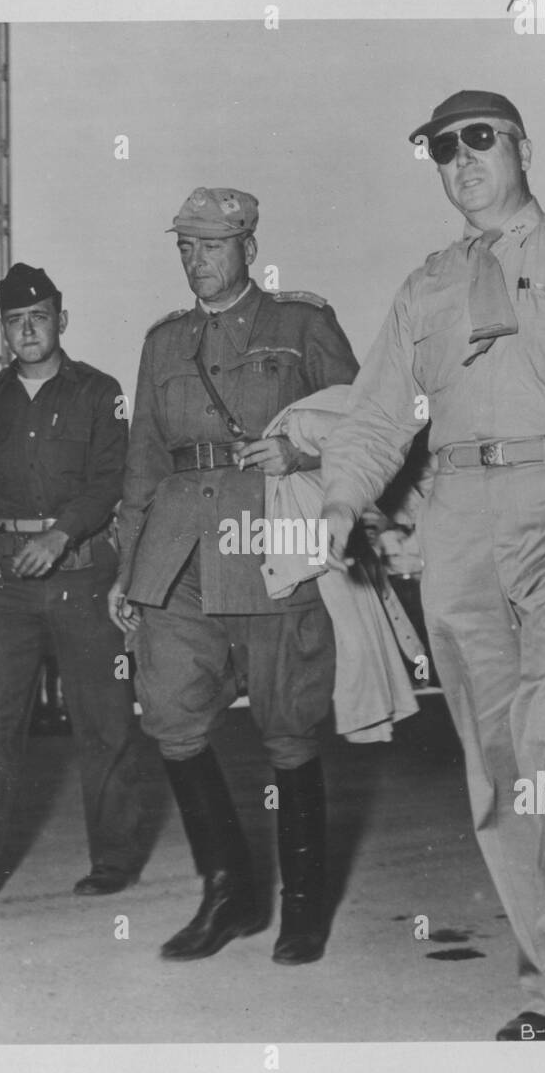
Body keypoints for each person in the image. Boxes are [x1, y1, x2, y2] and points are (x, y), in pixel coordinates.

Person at [319, 91, 545, 1039]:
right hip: (459, 521)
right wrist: (336, 500)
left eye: (478, 139)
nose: (459, 158)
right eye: (441, 149)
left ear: (522, 146)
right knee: (500, 768)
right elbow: (376, 415)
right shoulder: (426, 286)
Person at [109, 188, 358, 963]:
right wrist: (127, 571)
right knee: (171, 719)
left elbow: (364, 423)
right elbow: (144, 460)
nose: (196, 260)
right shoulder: (163, 343)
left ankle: (306, 903)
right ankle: (228, 893)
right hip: (177, 546)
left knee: (288, 723)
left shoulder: (302, 324)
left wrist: (302, 452)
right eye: (184, 246)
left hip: (271, 534)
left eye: (211, 245)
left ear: (249, 242)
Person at [0, 263, 141, 910]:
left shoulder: (99, 392)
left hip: (83, 574)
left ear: (60, 321)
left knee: (105, 721)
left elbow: (109, 478)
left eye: (38, 317)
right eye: (15, 321)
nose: (27, 330)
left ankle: (115, 859)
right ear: (4, 331)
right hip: (8, 580)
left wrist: (60, 535)